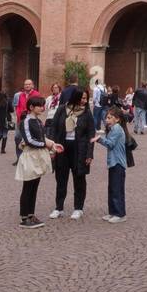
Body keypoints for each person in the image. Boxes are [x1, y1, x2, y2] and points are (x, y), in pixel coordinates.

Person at [47, 87, 94, 219]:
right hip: (62, 147)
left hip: (80, 149)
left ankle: (78, 207)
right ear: (75, 97)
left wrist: (90, 154)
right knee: (61, 178)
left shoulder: (87, 113)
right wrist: (52, 147)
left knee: (79, 178)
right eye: (82, 98)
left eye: (86, 98)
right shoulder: (62, 109)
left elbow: (91, 134)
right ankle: (59, 207)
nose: (85, 101)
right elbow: (54, 128)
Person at [17, 94, 58, 228]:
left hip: (38, 156)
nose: (42, 107)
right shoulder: (26, 122)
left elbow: (42, 137)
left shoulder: (39, 121)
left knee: (35, 186)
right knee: (28, 186)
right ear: (31, 107)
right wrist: (46, 145)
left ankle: (30, 214)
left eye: (42, 105)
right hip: (30, 156)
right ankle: (24, 217)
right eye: (40, 106)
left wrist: (53, 144)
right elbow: (29, 140)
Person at [96, 104, 132, 223]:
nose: (107, 120)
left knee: (117, 189)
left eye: (110, 117)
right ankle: (113, 212)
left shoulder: (116, 128)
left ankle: (120, 214)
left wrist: (99, 139)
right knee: (112, 188)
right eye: (107, 117)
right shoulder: (112, 129)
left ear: (117, 119)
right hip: (113, 163)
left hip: (118, 163)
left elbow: (110, 144)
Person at [0, 91, 13, 159]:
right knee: (5, 134)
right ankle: (2, 149)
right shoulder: (8, 102)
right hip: (7, 118)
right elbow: (12, 110)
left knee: (0, 133)